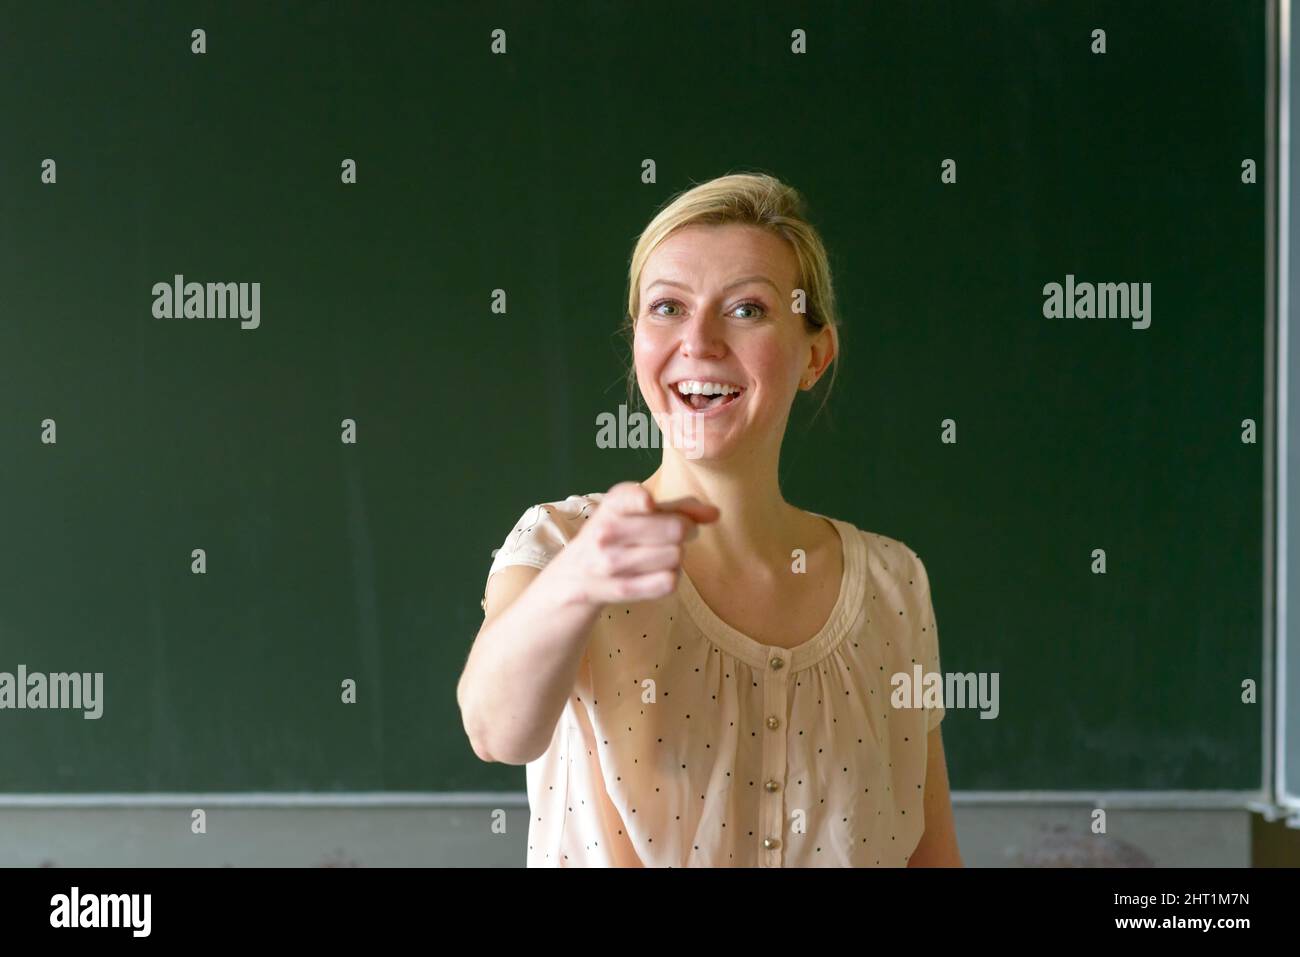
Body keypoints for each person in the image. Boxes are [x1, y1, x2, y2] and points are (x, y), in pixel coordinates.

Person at [457, 171, 961, 867]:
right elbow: (495, 730)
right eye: (667, 307)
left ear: (816, 353)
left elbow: (931, 855)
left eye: (748, 309)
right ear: (637, 346)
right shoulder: (558, 544)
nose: (698, 340)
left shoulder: (894, 581)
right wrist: (578, 582)